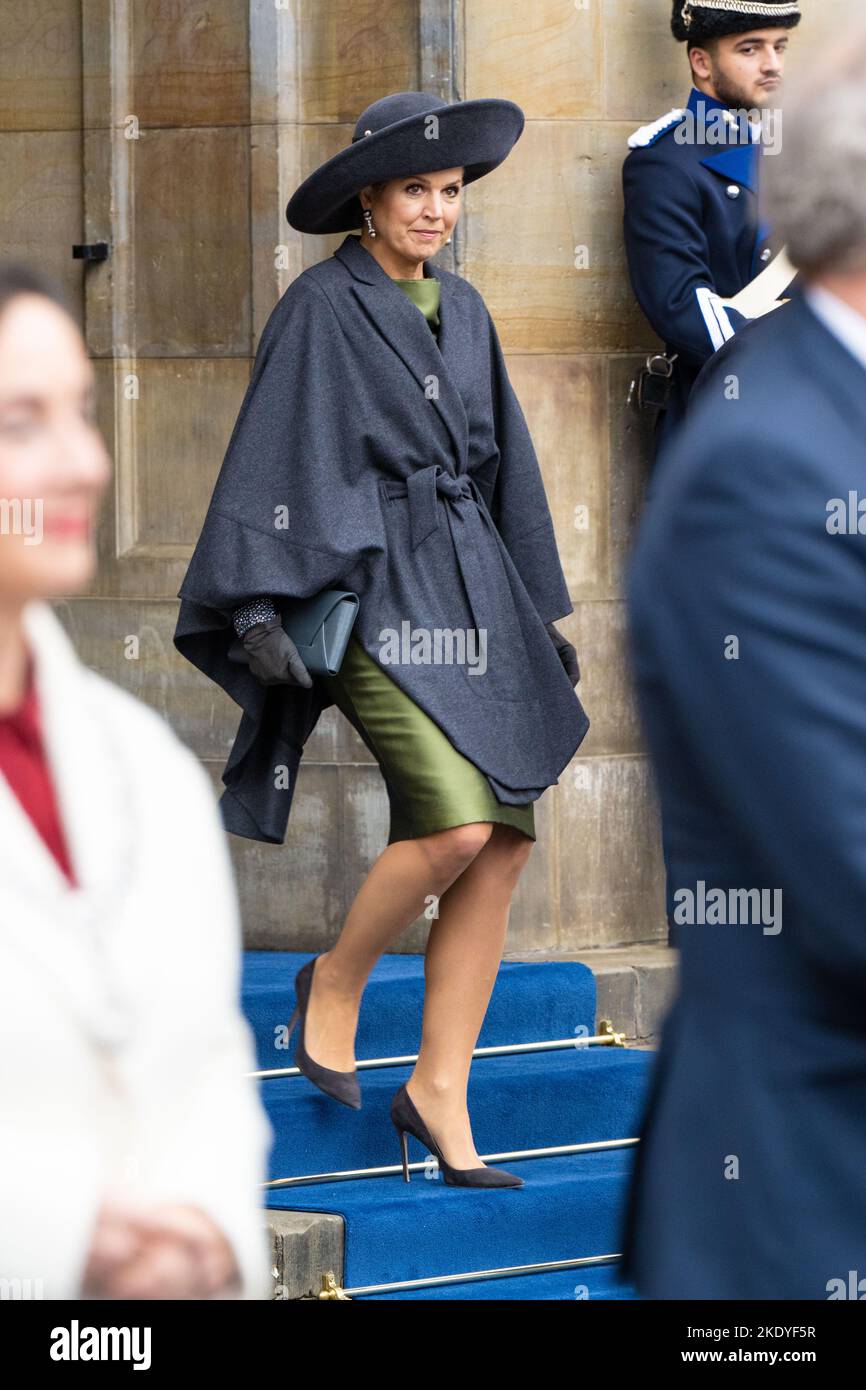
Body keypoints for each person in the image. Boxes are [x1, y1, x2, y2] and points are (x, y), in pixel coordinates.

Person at [173, 91, 588, 1185]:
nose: (435, 211)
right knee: (453, 828)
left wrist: (538, 616)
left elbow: (507, 474)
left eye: (450, 193)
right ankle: (337, 981)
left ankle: (436, 1091)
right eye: (415, 190)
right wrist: (256, 607)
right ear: (368, 195)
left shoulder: (469, 310)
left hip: (471, 591)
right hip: (366, 591)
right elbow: (271, 453)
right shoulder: (320, 305)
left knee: (502, 841)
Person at [619, 25, 866, 1298]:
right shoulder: (769, 472)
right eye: (746, 42)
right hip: (802, 1196)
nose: (764, 62)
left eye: (784, 42)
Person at [0, 264, 272, 1299]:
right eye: (22, 422)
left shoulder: (143, 762)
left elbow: (208, 1065)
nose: (83, 462)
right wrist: (62, 1239)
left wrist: (202, 1239)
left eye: (80, 411)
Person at [622, 0, 800, 460]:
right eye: (750, 49)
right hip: (727, 428)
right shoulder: (665, 162)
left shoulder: (797, 151)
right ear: (701, 61)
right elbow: (685, 311)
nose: (773, 65)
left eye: (780, 46)